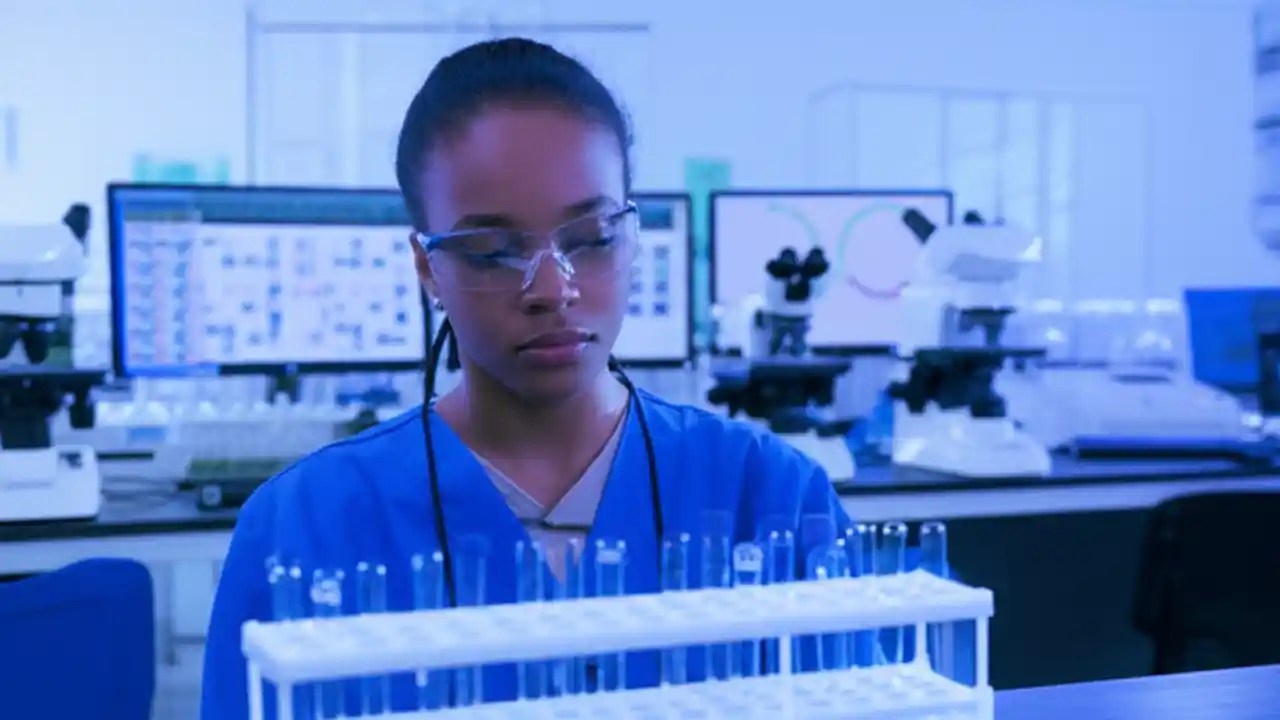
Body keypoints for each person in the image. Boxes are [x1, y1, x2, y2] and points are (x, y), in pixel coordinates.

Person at [201, 37, 849, 718]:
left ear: (633, 239)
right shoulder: (304, 526)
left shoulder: (772, 499)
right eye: (491, 252)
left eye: (593, 238)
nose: (552, 289)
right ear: (429, 270)